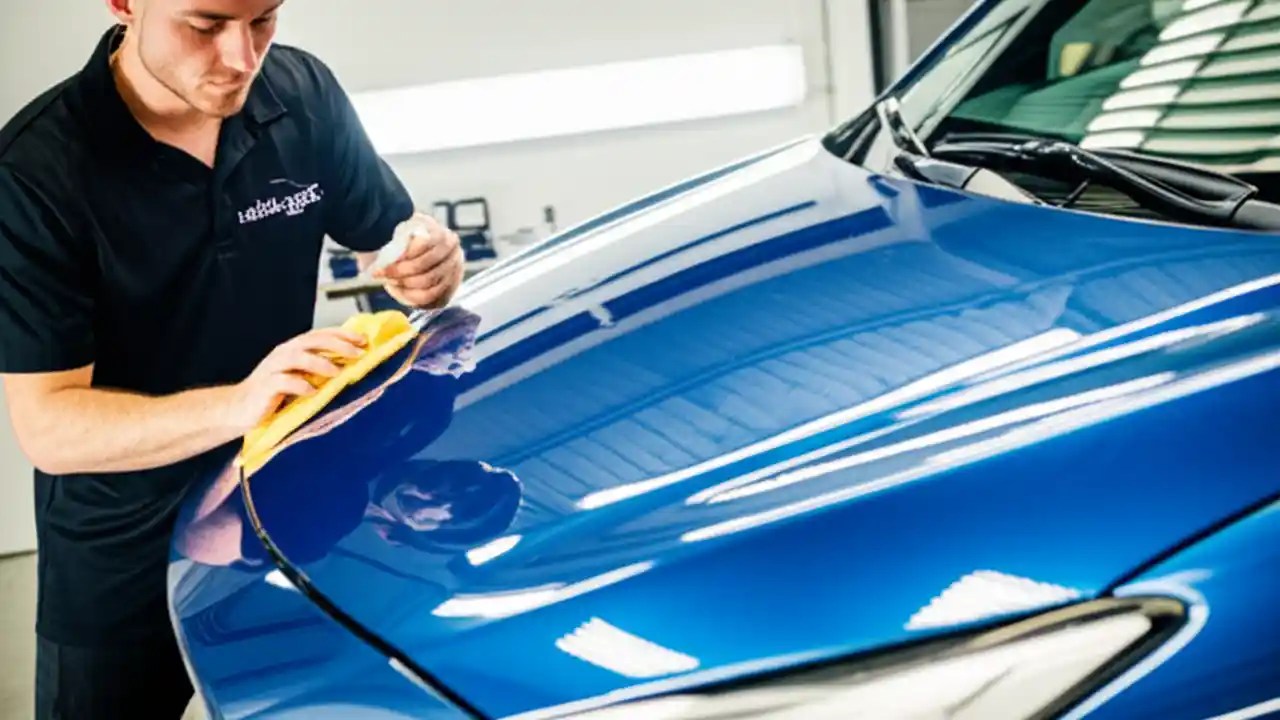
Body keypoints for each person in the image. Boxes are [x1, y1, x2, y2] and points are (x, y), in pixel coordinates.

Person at [0, 1, 466, 717]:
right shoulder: (33, 172)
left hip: (285, 510)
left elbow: (390, 237)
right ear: (124, 4)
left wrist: (430, 262)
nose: (241, 59)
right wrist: (240, 403)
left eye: (263, 20)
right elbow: (49, 429)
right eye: (205, 25)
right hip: (124, 551)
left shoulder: (302, 93)